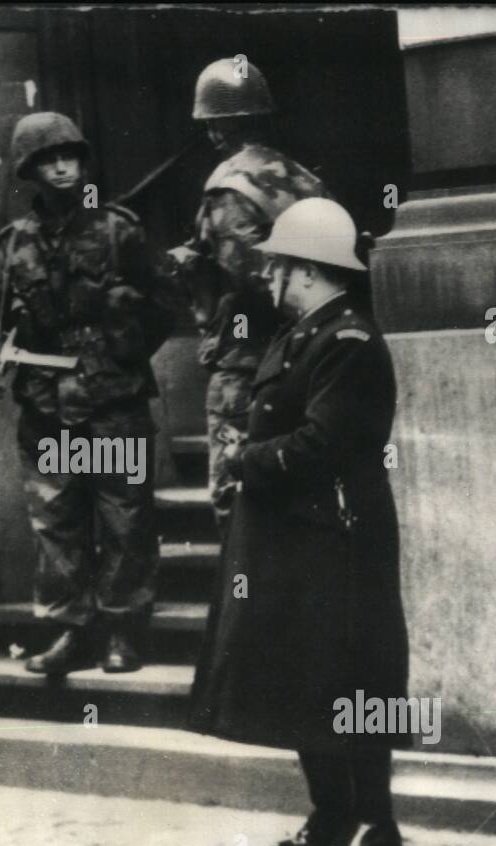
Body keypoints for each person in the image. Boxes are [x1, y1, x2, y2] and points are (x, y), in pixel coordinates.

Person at [189, 198, 409, 846]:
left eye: (280, 266)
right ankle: (331, 811)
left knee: (353, 679)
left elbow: (324, 442)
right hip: (294, 541)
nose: (271, 278)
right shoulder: (299, 336)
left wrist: (242, 461)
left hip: (337, 540)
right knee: (303, 678)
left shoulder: (349, 342)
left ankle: (373, 819)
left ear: (308, 271)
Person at [0, 111, 173, 675]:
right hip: (46, 405)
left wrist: (123, 344)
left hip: (111, 403)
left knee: (123, 519)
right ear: (30, 170)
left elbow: (163, 303)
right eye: (49, 159)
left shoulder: (118, 230)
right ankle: (71, 631)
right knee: (58, 520)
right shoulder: (13, 248)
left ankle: (123, 631)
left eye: (71, 157)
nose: (63, 167)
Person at [168, 56, 328, 530]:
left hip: (247, 360)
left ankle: (243, 597)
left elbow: (245, 271)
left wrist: (193, 266)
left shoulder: (228, 186)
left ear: (216, 124)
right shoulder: (302, 177)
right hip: (310, 354)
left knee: (235, 491)